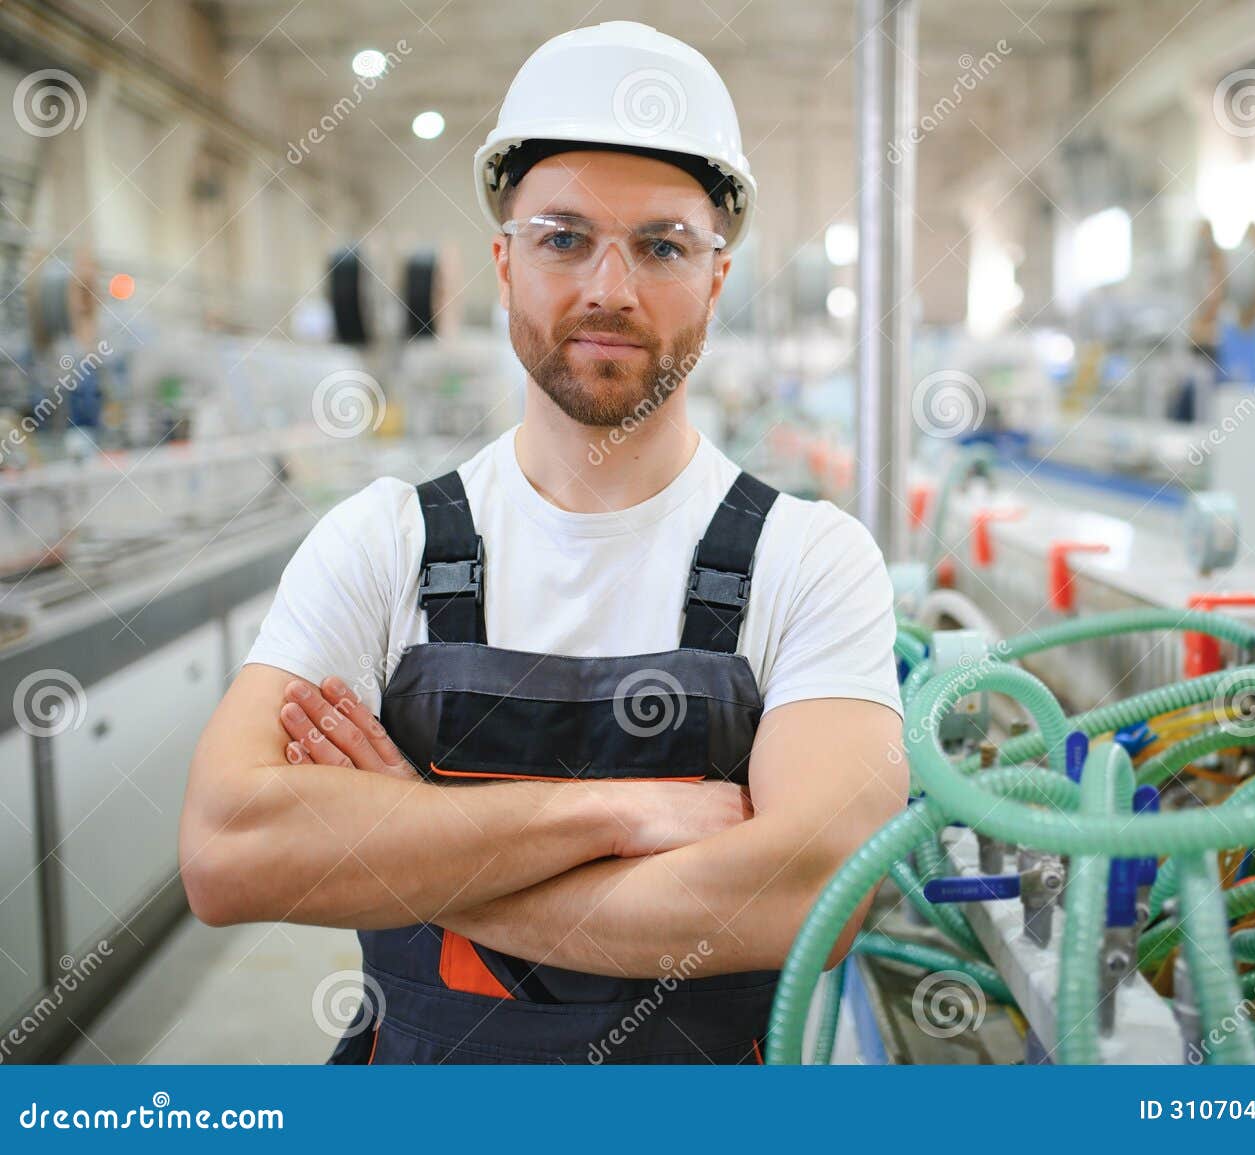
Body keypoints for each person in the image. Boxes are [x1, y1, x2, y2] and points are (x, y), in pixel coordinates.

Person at [179, 21, 907, 1065]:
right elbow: (227, 849)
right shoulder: (383, 543)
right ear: (503, 263)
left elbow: (815, 894)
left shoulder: (809, 559)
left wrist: (410, 837)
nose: (609, 287)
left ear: (715, 277)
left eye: (661, 245)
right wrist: (616, 812)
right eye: (563, 237)